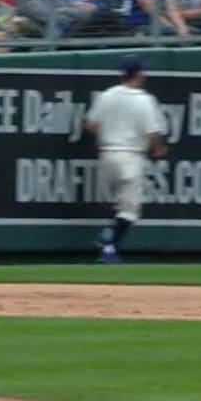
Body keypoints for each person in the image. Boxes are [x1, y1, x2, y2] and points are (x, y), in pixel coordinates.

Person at [84, 55, 166, 265]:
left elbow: (91, 126)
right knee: (130, 210)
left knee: (121, 204)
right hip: (130, 156)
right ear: (138, 74)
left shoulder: (107, 94)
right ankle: (109, 247)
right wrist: (158, 149)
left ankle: (107, 235)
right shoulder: (144, 99)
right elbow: (153, 132)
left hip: (107, 154)